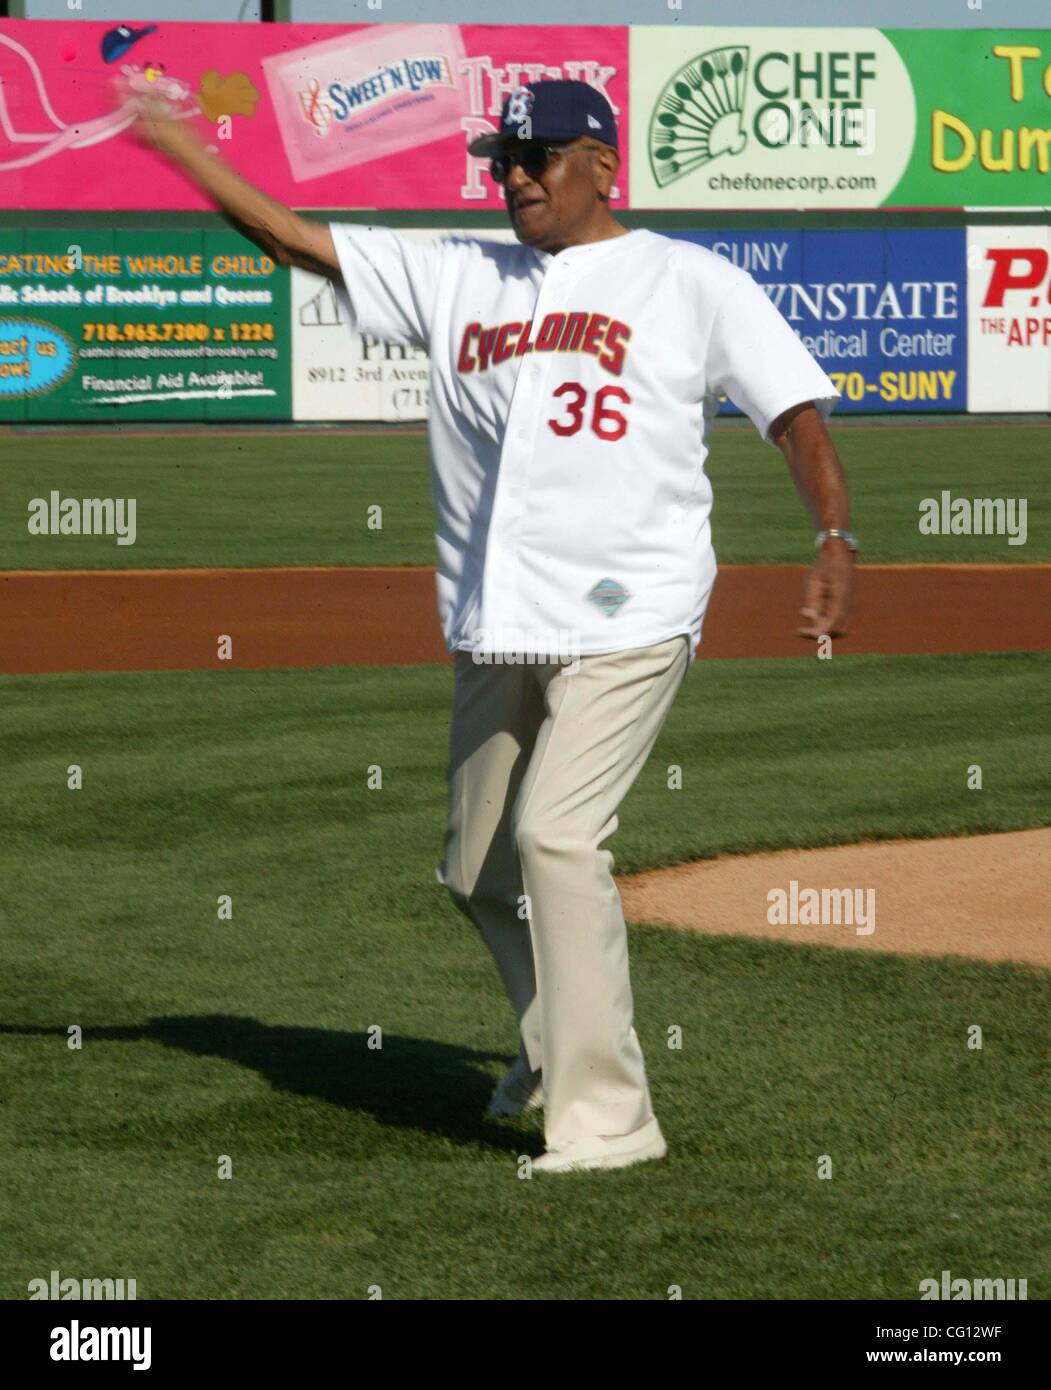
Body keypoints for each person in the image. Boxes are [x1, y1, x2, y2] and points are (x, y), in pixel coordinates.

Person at [130, 78, 855, 1174]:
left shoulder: (687, 281)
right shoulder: (458, 273)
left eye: (538, 155)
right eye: (500, 158)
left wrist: (832, 537)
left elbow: (794, 416)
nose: (513, 173)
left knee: (556, 837)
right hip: (499, 616)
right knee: (476, 870)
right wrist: (184, 152)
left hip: (632, 611)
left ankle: (610, 1118)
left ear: (603, 165)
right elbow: (287, 235)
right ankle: (547, 1049)